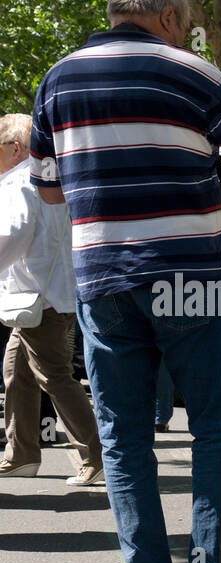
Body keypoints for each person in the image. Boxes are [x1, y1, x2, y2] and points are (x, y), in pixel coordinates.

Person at [29, 0, 221, 563]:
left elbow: (47, 186)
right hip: (191, 273)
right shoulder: (191, 71)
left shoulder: (58, 78)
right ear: (167, 14)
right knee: (215, 424)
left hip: (106, 277)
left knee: (123, 433)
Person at [0, 114, 103, 485]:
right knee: (18, 372)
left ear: (14, 148)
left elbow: (14, 232)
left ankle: (96, 454)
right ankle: (22, 452)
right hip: (49, 294)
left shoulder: (17, 181)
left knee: (54, 376)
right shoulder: (50, 177)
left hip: (36, 296)